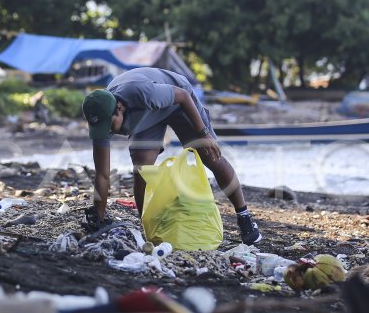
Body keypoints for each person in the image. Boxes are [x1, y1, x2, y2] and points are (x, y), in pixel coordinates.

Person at [82, 67, 261, 245]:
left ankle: (244, 217)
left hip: (178, 102)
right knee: (142, 170)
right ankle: (148, 228)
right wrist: (99, 216)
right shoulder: (101, 117)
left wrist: (204, 133)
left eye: (110, 125)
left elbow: (183, 96)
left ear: (119, 108)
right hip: (148, 115)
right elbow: (102, 175)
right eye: (103, 128)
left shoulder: (140, 92)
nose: (108, 131)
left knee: (210, 155)